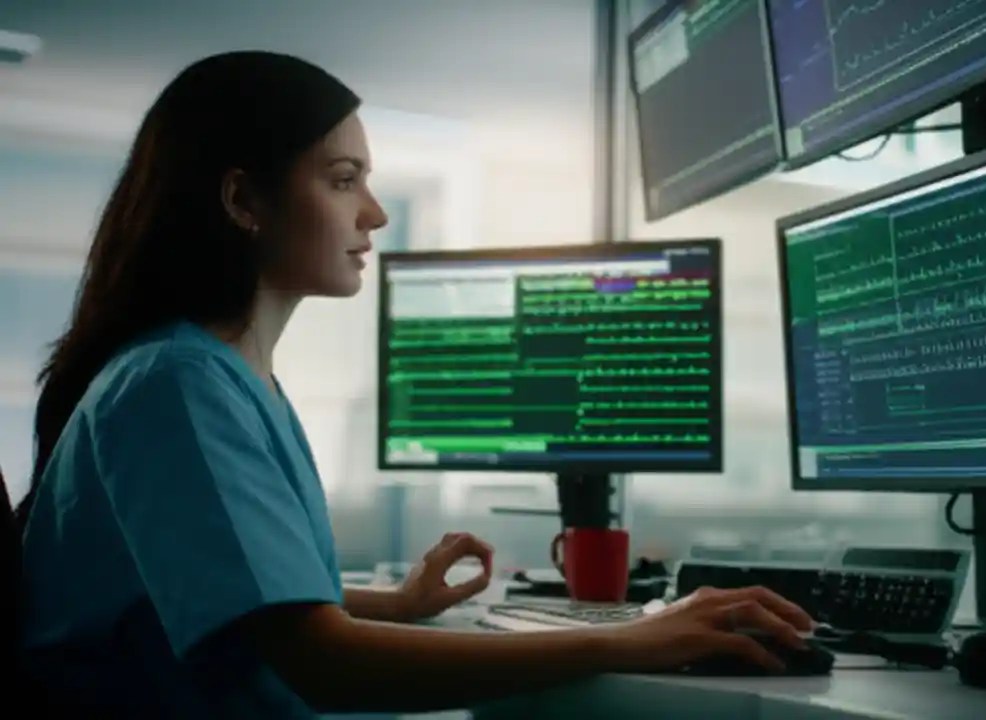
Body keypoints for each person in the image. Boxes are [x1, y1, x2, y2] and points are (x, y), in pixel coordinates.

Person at [15, 51, 813, 717]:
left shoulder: (216, 374)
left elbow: (239, 610)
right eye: (342, 179)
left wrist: (390, 606)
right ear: (243, 200)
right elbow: (321, 664)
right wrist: (627, 640)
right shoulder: (177, 384)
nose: (374, 213)